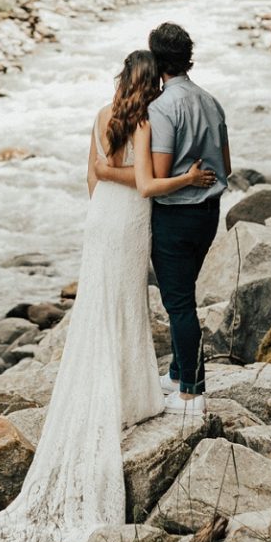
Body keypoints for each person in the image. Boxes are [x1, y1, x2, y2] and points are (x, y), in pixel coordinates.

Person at [0, 49, 215, 542]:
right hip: (131, 219)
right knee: (126, 306)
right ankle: (130, 398)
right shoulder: (143, 122)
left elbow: (93, 176)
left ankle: (126, 394)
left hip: (101, 218)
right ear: (150, 83)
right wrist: (190, 178)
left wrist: (102, 210)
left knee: (100, 308)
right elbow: (146, 185)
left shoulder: (100, 115)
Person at [96, 23, 230, 417]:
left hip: (176, 217)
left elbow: (154, 179)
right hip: (208, 214)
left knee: (179, 304)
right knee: (184, 294)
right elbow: (227, 165)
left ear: (156, 60)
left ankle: (191, 392)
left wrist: (106, 173)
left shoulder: (162, 108)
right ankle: (175, 373)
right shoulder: (211, 101)